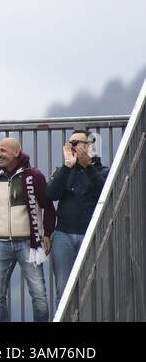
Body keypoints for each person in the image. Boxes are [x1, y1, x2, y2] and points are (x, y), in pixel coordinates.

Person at [0, 137, 56, 322]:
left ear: (16, 152)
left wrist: (47, 233)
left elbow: (47, 206)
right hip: (1, 243)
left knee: (39, 295)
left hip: (28, 243)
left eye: (3, 151)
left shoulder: (34, 176)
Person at [47, 129, 109, 305]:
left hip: (90, 234)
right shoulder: (63, 171)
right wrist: (68, 166)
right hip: (63, 235)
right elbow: (50, 194)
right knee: (63, 289)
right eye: (70, 143)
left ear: (90, 146)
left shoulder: (102, 171)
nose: (72, 147)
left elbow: (106, 190)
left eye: (77, 143)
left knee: (94, 286)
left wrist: (87, 166)